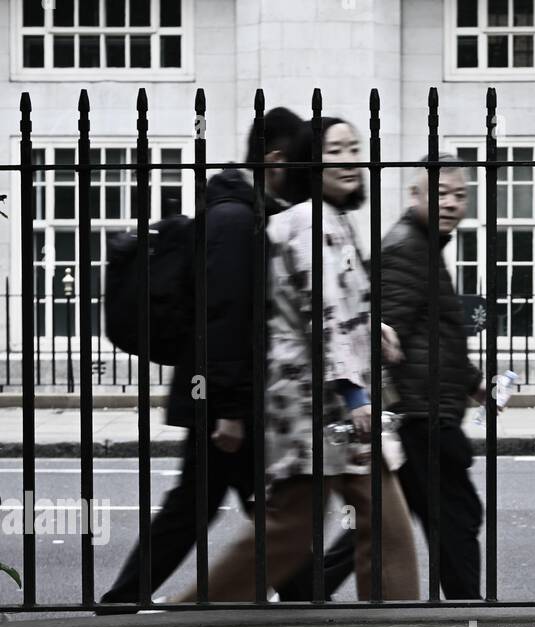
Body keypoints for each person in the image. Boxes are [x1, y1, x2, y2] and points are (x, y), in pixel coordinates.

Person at [173, 117, 418, 602]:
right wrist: (355, 394)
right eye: (337, 150)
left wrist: (376, 332)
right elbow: (321, 314)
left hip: (321, 406)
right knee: (349, 530)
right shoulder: (307, 223)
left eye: (354, 148)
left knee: (302, 532)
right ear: (312, 161)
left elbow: (339, 306)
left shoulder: (328, 220)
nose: (350, 159)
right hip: (320, 406)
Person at [99, 107, 304, 605]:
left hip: (225, 392)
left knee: (218, 507)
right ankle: (307, 597)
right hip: (224, 397)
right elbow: (225, 315)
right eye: (306, 160)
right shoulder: (235, 218)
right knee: (240, 509)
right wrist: (231, 410)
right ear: (276, 159)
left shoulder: (248, 212)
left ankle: (307, 596)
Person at [279, 153, 485, 602]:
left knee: (386, 524)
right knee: (457, 518)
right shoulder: (407, 248)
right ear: (416, 196)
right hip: (419, 418)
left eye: (460, 195)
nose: (451, 203)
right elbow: (383, 334)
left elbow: (430, 335)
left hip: (422, 414)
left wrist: (472, 382)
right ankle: (471, 615)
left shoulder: (423, 246)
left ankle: (306, 592)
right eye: (441, 194)